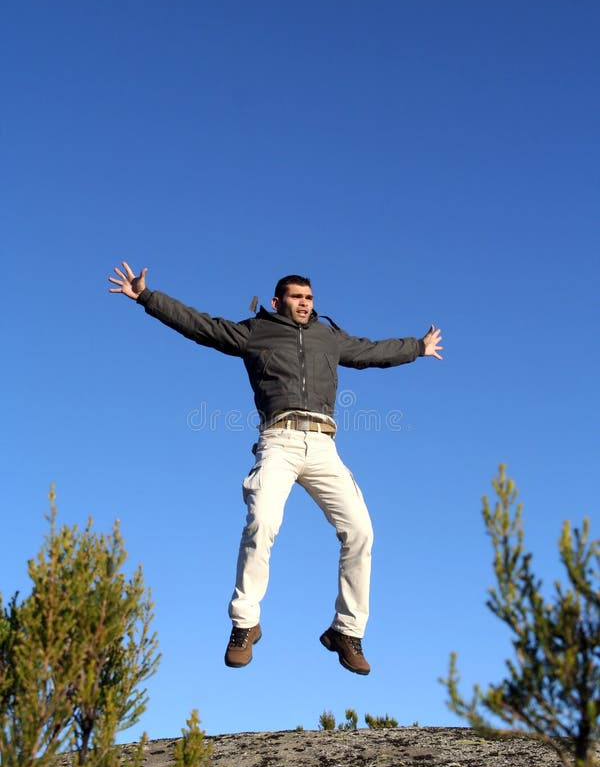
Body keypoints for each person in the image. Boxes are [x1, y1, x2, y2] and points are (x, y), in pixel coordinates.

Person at [109, 261, 443, 675]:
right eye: (296, 298)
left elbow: (372, 351)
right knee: (262, 522)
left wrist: (418, 347)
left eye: (309, 299)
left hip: (323, 445)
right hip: (278, 441)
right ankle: (245, 624)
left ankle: (347, 631)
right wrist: (147, 297)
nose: (304, 304)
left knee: (361, 531)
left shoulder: (328, 336)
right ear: (277, 301)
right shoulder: (255, 332)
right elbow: (200, 326)